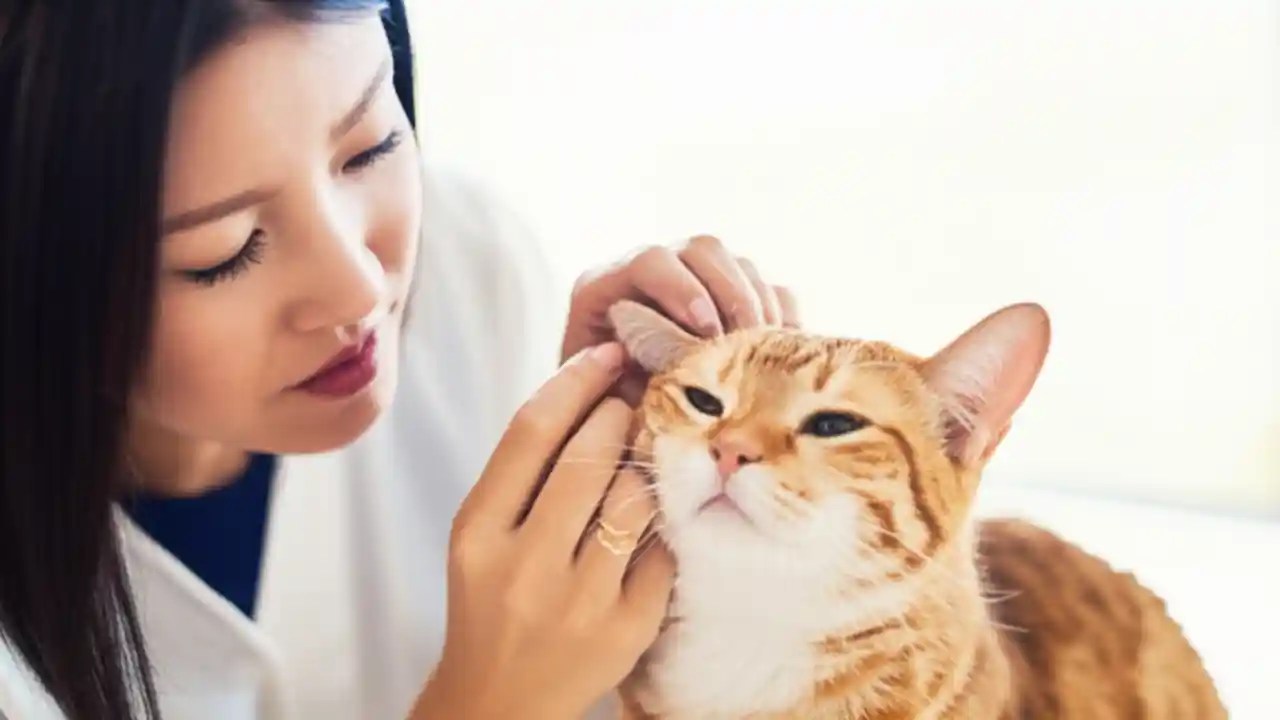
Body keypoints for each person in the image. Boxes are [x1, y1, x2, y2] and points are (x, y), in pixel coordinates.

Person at [0, 1, 798, 718]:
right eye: (223, 253)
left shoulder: (469, 266)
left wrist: (651, 494)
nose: (357, 289)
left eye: (370, 147)